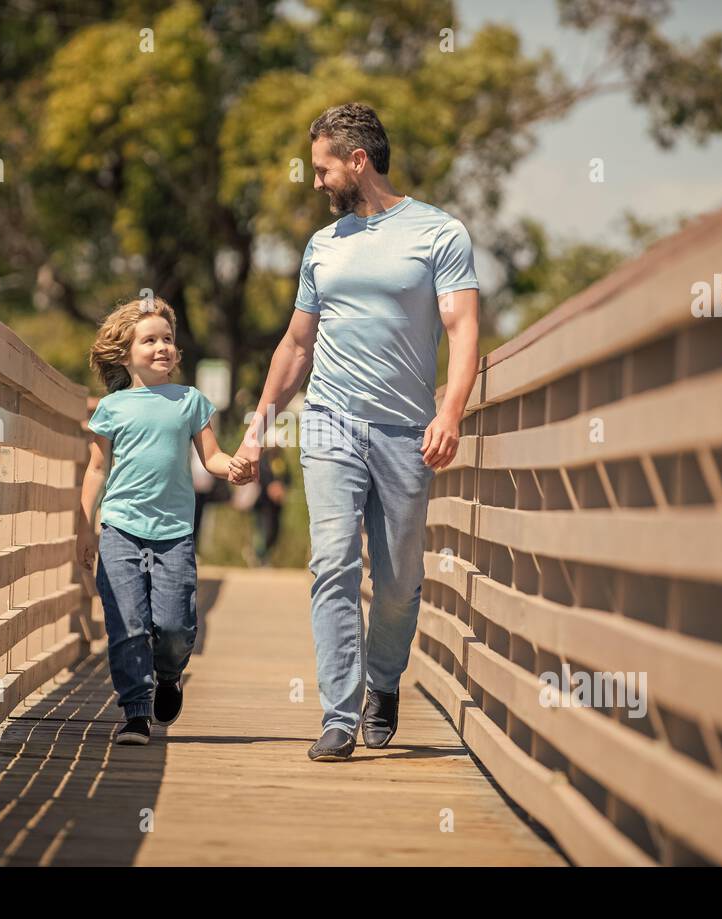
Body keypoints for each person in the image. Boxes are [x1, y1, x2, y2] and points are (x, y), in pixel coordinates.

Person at [229, 103, 480, 761]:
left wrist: (449, 412)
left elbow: (462, 331)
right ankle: (338, 715)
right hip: (330, 422)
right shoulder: (323, 246)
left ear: (357, 160)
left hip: (406, 431)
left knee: (397, 581)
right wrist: (258, 428)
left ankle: (383, 682)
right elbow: (295, 344)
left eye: (322, 168)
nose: (316, 183)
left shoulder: (439, 234)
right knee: (332, 562)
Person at [77, 296, 243, 746]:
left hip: (173, 533)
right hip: (121, 528)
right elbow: (96, 469)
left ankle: (168, 675)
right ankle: (135, 712)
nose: (161, 347)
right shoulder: (111, 408)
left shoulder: (190, 401)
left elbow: (211, 457)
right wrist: (84, 525)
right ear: (125, 352)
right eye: (149, 340)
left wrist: (233, 467)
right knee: (127, 624)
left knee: (174, 626)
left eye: (167, 339)